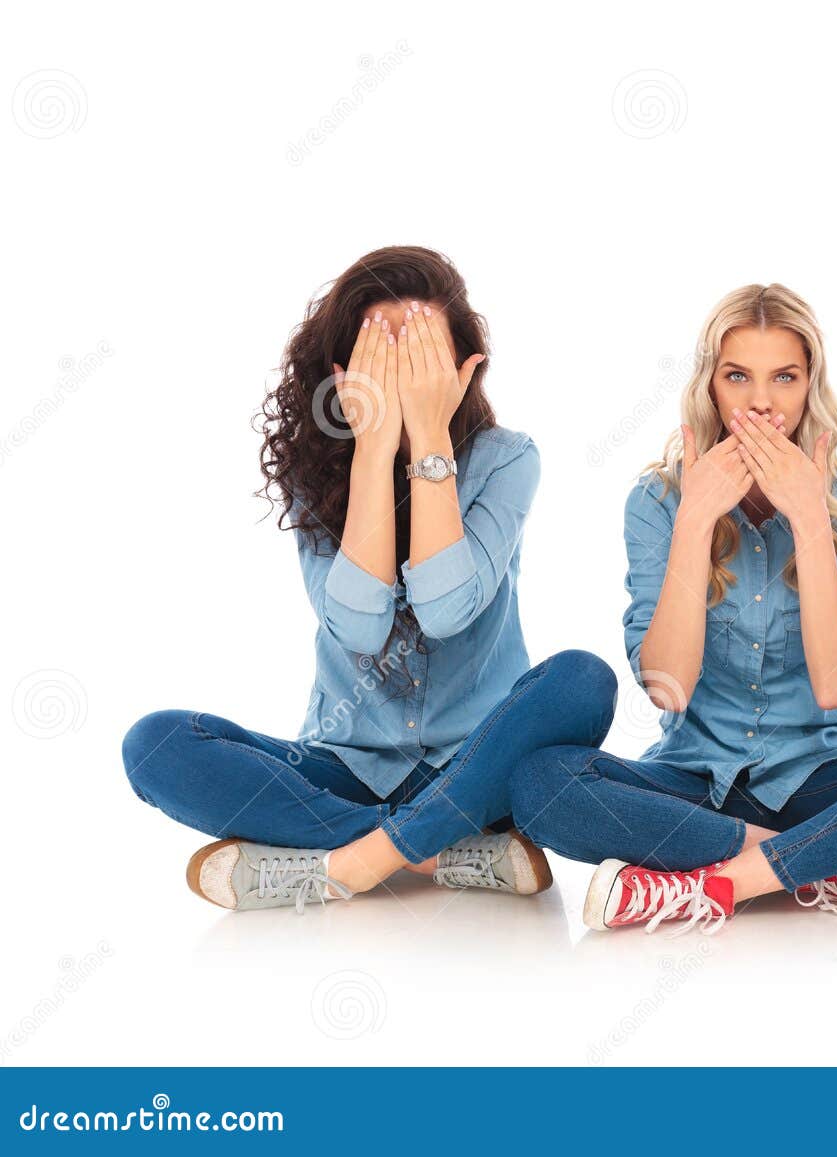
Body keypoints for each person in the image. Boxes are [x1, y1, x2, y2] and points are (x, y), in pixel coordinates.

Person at [512, 284, 837, 934]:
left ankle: (716, 882)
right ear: (710, 386)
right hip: (691, 785)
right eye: (737, 376)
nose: (760, 401)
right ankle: (829, 863)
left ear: (810, 386)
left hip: (823, 781)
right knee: (540, 783)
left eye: (784, 377)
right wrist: (696, 519)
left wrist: (809, 517)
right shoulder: (657, 502)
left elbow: (836, 687)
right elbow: (668, 688)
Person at [122, 246, 616, 912]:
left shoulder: (507, 460)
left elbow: (445, 611)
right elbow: (359, 626)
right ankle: (439, 852)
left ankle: (353, 862)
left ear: (464, 368)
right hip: (348, 765)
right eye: (385, 357)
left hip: (476, 768)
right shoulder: (312, 474)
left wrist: (428, 436)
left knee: (584, 681)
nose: (405, 376)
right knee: (155, 745)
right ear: (345, 376)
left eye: (422, 357)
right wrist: (375, 450)